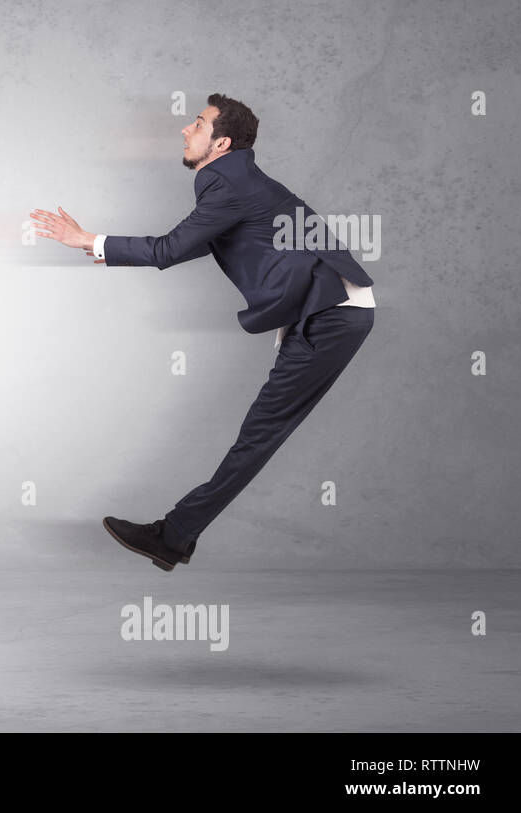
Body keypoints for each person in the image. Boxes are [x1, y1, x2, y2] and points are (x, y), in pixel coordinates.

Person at [30, 93, 377, 572]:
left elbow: (170, 248)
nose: (185, 130)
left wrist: (88, 239)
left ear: (222, 143)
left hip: (331, 313)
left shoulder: (225, 180)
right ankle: (176, 535)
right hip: (330, 311)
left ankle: (173, 536)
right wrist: (103, 246)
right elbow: (187, 244)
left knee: (260, 434)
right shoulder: (238, 180)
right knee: (260, 433)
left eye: (198, 123)